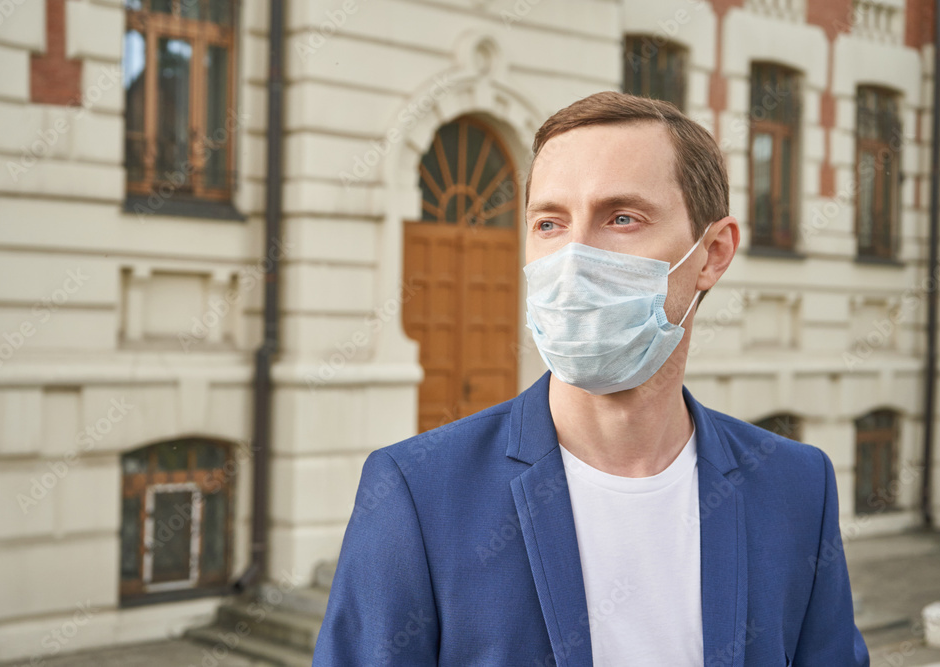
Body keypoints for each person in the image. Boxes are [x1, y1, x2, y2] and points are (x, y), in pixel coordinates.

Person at [312, 91, 870, 666]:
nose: (574, 259)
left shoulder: (797, 487)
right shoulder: (417, 495)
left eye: (622, 217)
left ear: (713, 253)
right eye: (549, 223)